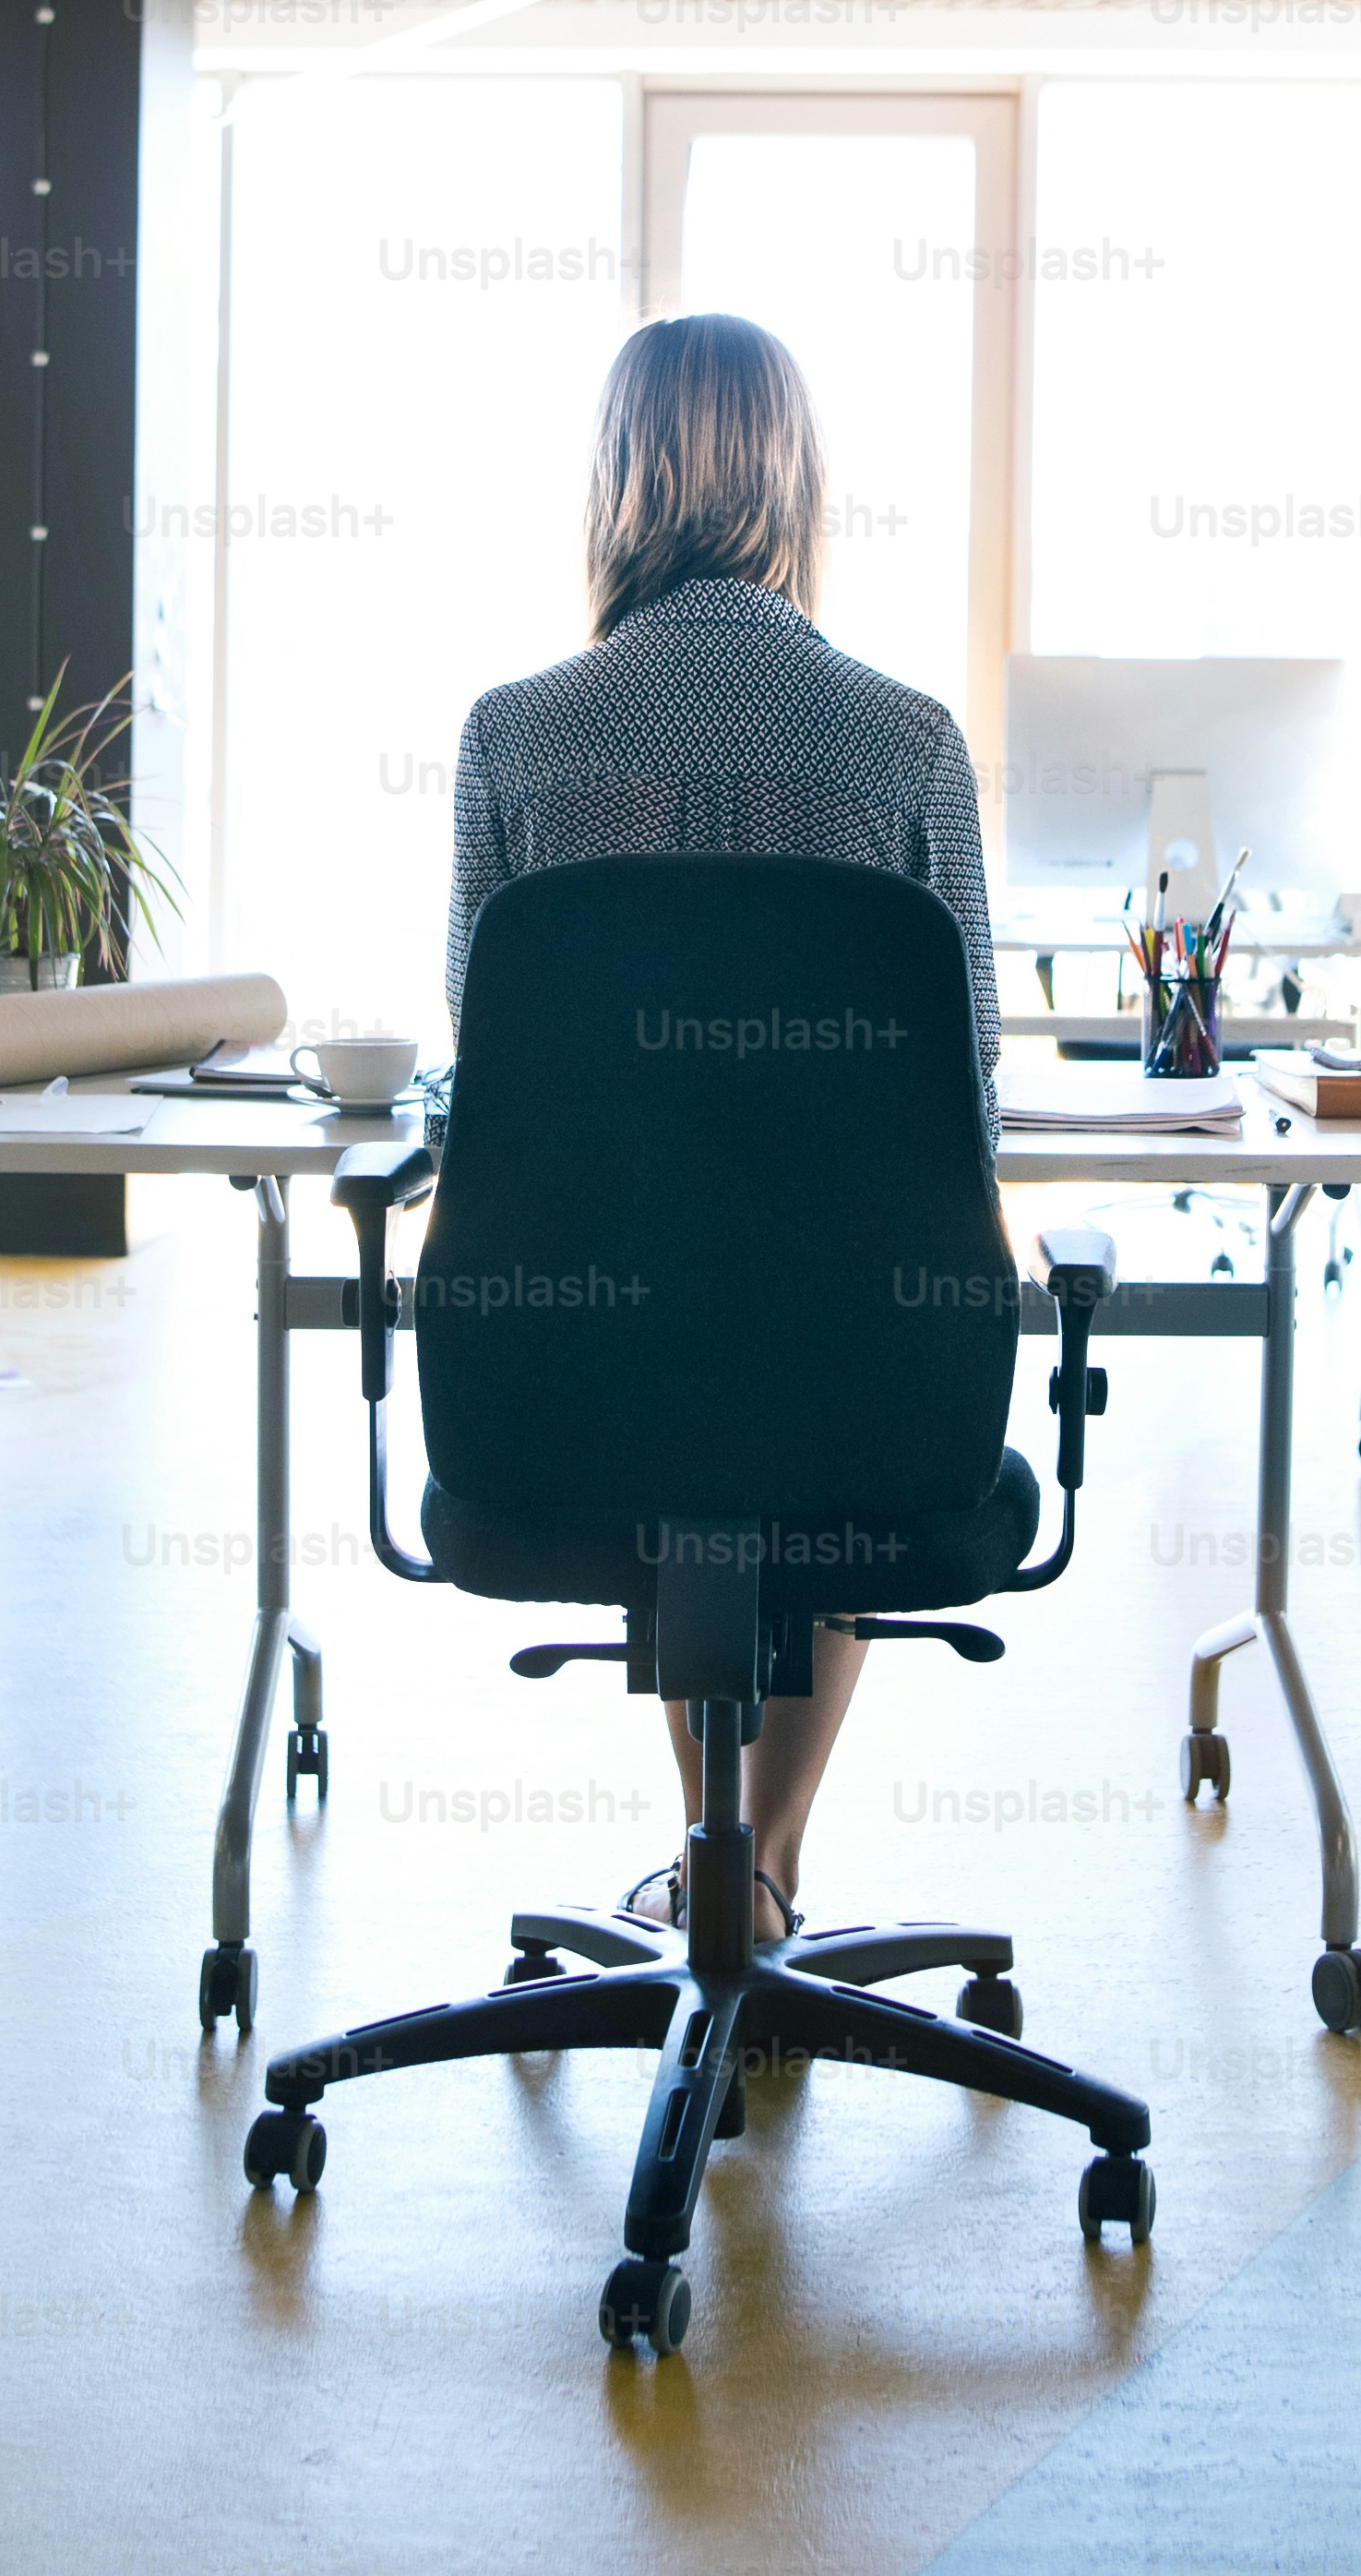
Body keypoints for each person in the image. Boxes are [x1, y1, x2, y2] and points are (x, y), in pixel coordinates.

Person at [444, 310, 997, 1937]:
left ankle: (714, 1863)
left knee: (678, 1389)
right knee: (807, 1376)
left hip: (568, 1369)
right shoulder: (909, 745)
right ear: (798, 483)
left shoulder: (515, 739)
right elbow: (961, 1090)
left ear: (613, 484)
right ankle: (756, 1867)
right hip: (864, 1374)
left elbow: (495, 1072)